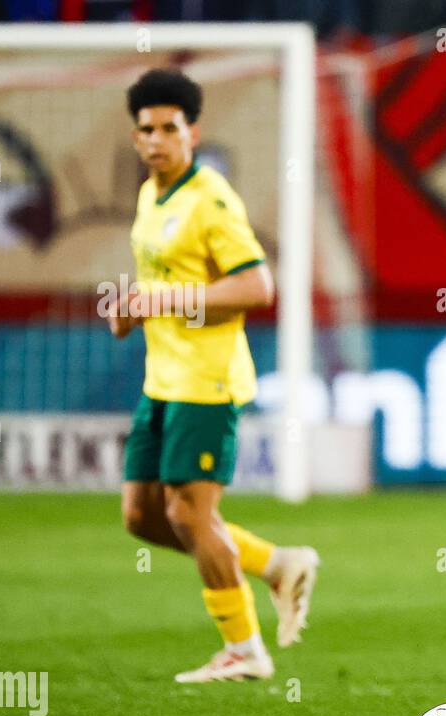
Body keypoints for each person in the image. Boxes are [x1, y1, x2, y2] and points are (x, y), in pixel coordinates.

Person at [112, 69, 319, 684]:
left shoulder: (211, 198)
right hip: (162, 379)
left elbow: (257, 285)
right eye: (146, 129)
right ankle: (278, 562)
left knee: (190, 515)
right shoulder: (152, 196)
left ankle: (245, 648)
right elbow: (159, 286)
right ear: (135, 136)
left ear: (192, 132)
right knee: (142, 516)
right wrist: (132, 309)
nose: (156, 139)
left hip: (207, 381)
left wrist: (165, 302)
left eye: (169, 128)